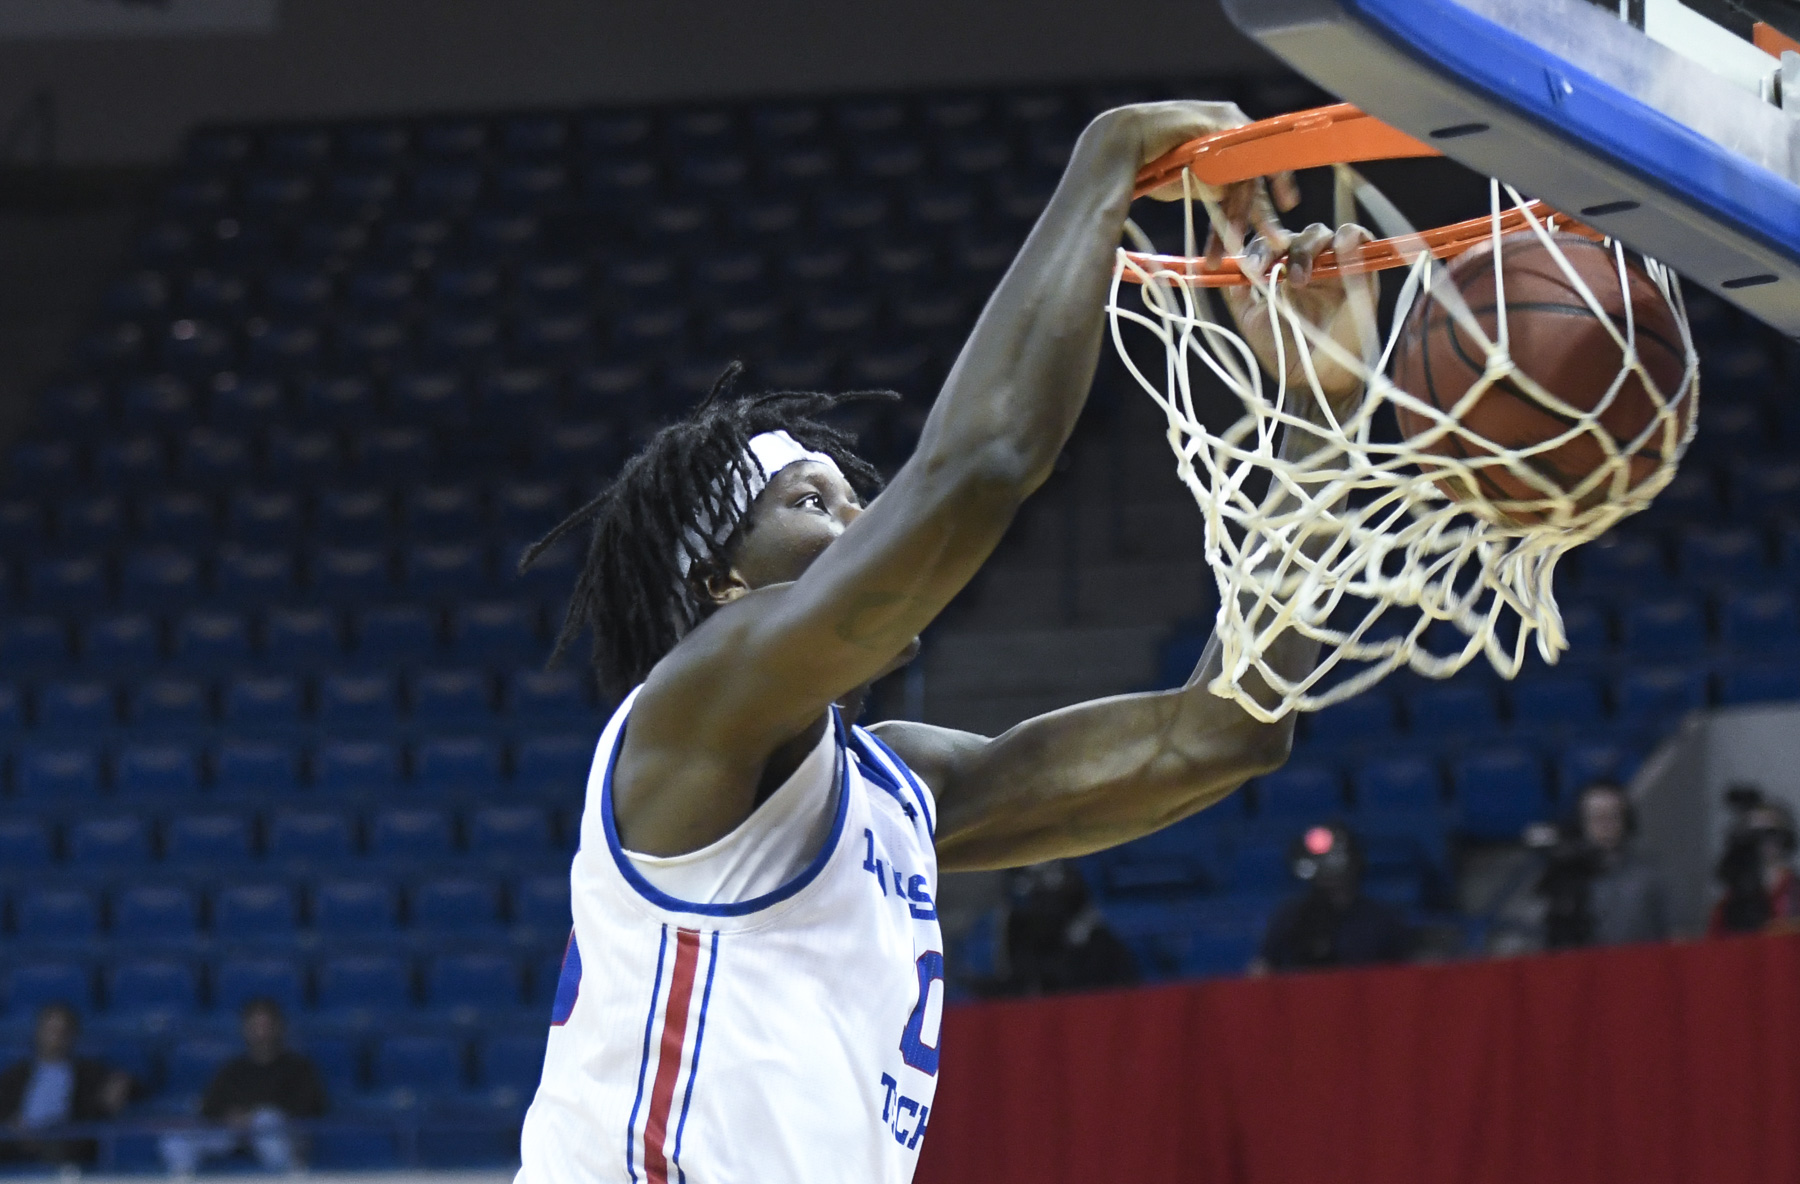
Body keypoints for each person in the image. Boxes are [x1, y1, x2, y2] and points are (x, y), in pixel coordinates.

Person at [514, 99, 1376, 1184]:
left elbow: (1225, 734)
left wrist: (1315, 414)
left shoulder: (898, 787)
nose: (860, 522)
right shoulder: (694, 706)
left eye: (859, 499)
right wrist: (1109, 158)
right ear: (720, 584)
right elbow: (979, 469)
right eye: (810, 502)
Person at [157, 998, 327, 1177]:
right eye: (255, 1026)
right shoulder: (233, 1068)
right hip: (234, 1134)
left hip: (280, 1134)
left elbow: (310, 1106)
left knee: (266, 1119)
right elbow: (210, 1107)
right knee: (176, 1139)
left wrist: (254, 1116)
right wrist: (230, 1116)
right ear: (245, 1029)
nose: (261, 1033)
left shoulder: (298, 1067)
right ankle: (183, 1176)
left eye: (266, 1026)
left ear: (279, 1028)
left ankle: (287, 1176)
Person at [1531, 780, 1670, 949]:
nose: (1605, 825)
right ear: (1582, 822)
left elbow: (1676, 935)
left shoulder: (1649, 876)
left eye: (1612, 816)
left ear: (1626, 820)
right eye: (1596, 817)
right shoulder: (1563, 878)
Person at [1255, 824, 1412, 972]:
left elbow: (1406, 971)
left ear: (1354, 862)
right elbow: (1263, 968)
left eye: (1336, 858)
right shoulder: (1292, 916)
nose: (1330, 867)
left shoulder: (1382, 919)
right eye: (1323, 860)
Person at [0, 1002, 134, 1166]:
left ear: (73, 1035)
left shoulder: (90, 1073)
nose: (56, 1037)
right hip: (16, 1141)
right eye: (51, 1030)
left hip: (64, 1142)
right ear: (38, 1032)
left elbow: (134, 1087)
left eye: (62, 1031)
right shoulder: (15, 1075)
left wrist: (121, 1084)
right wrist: (13, 1126)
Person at [989, 860, 1137, 996]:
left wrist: (1082, 927)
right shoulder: (1020, 909)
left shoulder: (1072, 881)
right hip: (1042, 943)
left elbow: (1091, 906)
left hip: (1070, 945)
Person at [1709, 788, 1800, 935]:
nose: (1765, 841)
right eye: (1755, 835)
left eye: (1771, 832)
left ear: (1785, 835)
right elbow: (1716, 943)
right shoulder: (1728, 904)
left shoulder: (1795, 892)